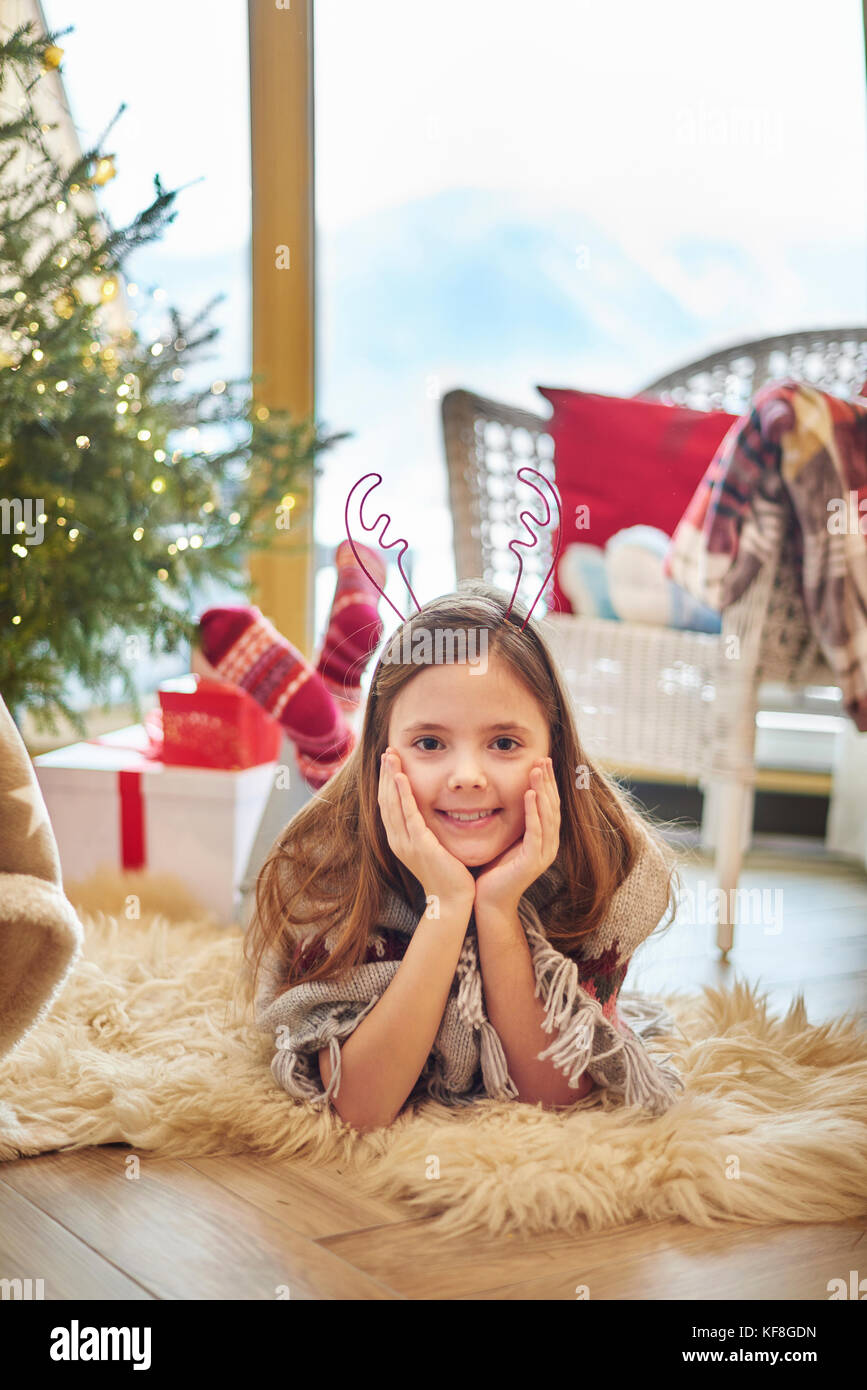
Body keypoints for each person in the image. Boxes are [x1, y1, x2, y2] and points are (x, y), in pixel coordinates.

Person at [235, 580, 685, 1133]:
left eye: (503, 744)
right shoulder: (324, 864)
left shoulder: (611, 862)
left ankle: (327, 707)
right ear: (384, 751)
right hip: (359, 825)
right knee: (312, 787)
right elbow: (358, 1106)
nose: (467, 777)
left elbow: (553, 1095)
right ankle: (326, 722)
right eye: (429, 743)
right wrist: (447, 904)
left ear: (556, 748)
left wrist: (496, 910)